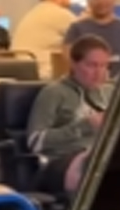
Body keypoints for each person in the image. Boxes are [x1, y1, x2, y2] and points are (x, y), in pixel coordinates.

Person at [28, 34, 113, 196]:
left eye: (104, 66)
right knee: (93, 163)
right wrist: (84, 126)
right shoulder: (54, 92)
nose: (99, 72)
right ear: (74, 64)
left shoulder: (109, 93)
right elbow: (35, 141)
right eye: (92, 65)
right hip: (60, 163)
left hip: (98, 158)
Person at [12, 0, 78, 77]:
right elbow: (83, 34)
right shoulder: (59, 13)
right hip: (43, 69)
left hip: (22, 67)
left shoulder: (35, 12)